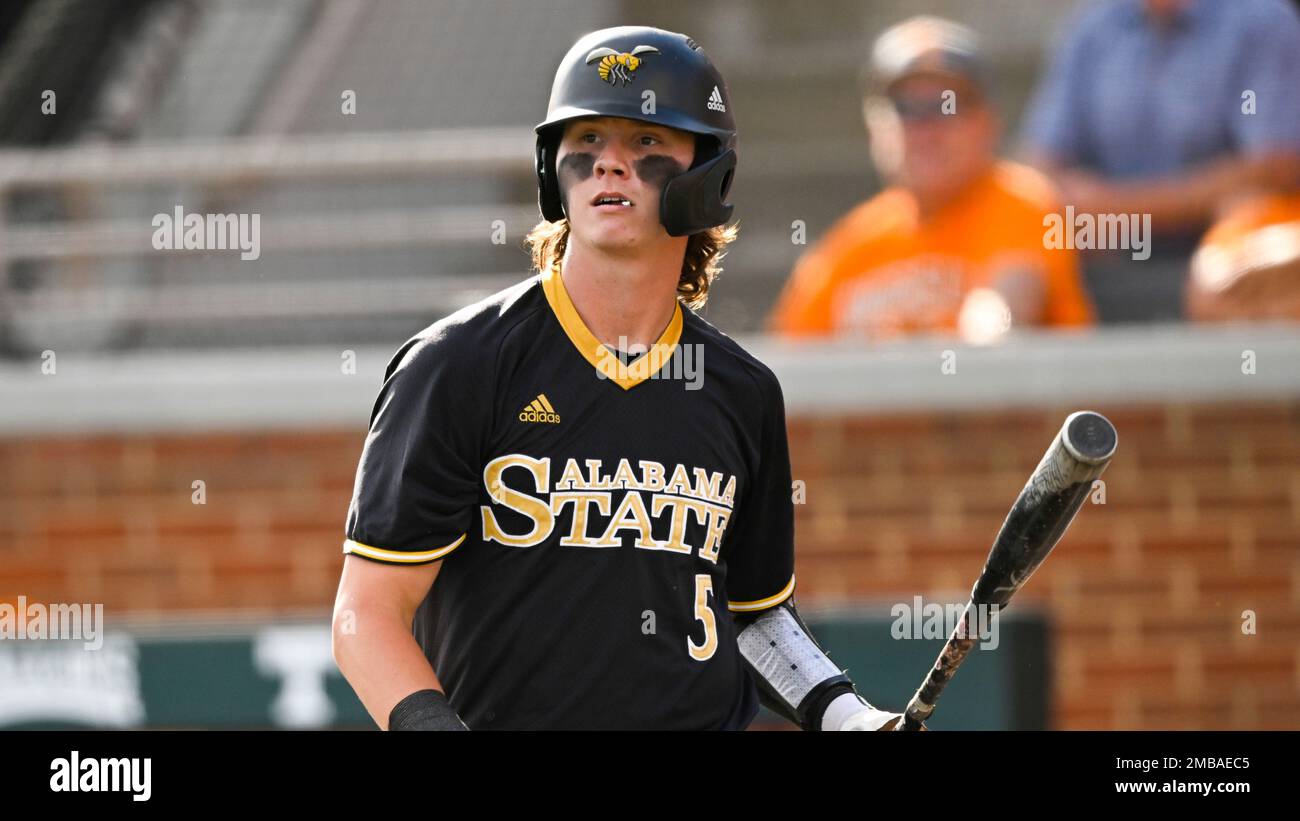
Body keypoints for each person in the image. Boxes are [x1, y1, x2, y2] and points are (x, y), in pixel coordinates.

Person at [332, 26, 916, 731]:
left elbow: (755, 617)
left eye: (646, 143)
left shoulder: (741, 390)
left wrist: (845, 714)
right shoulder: (457, 364)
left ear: (710, 176)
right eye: (588, 142)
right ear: (554, 170)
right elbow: (365, 614)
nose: (610, 164)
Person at [770, 16, 1094, 343]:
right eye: (906, 108)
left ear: (988, 123)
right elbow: (785, 363)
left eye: (946, 106)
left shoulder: (1025, 204)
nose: (926, 129)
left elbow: (1004, 312)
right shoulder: (851, 243)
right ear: (874, 126)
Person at [1020, 0, 1300, 321]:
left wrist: (1121, 209)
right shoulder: (1093, 26)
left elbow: (1274, 168)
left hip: (1228, 264)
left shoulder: (1263, 20)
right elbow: (1040, 164)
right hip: (1109, 257)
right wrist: (1076, 209)